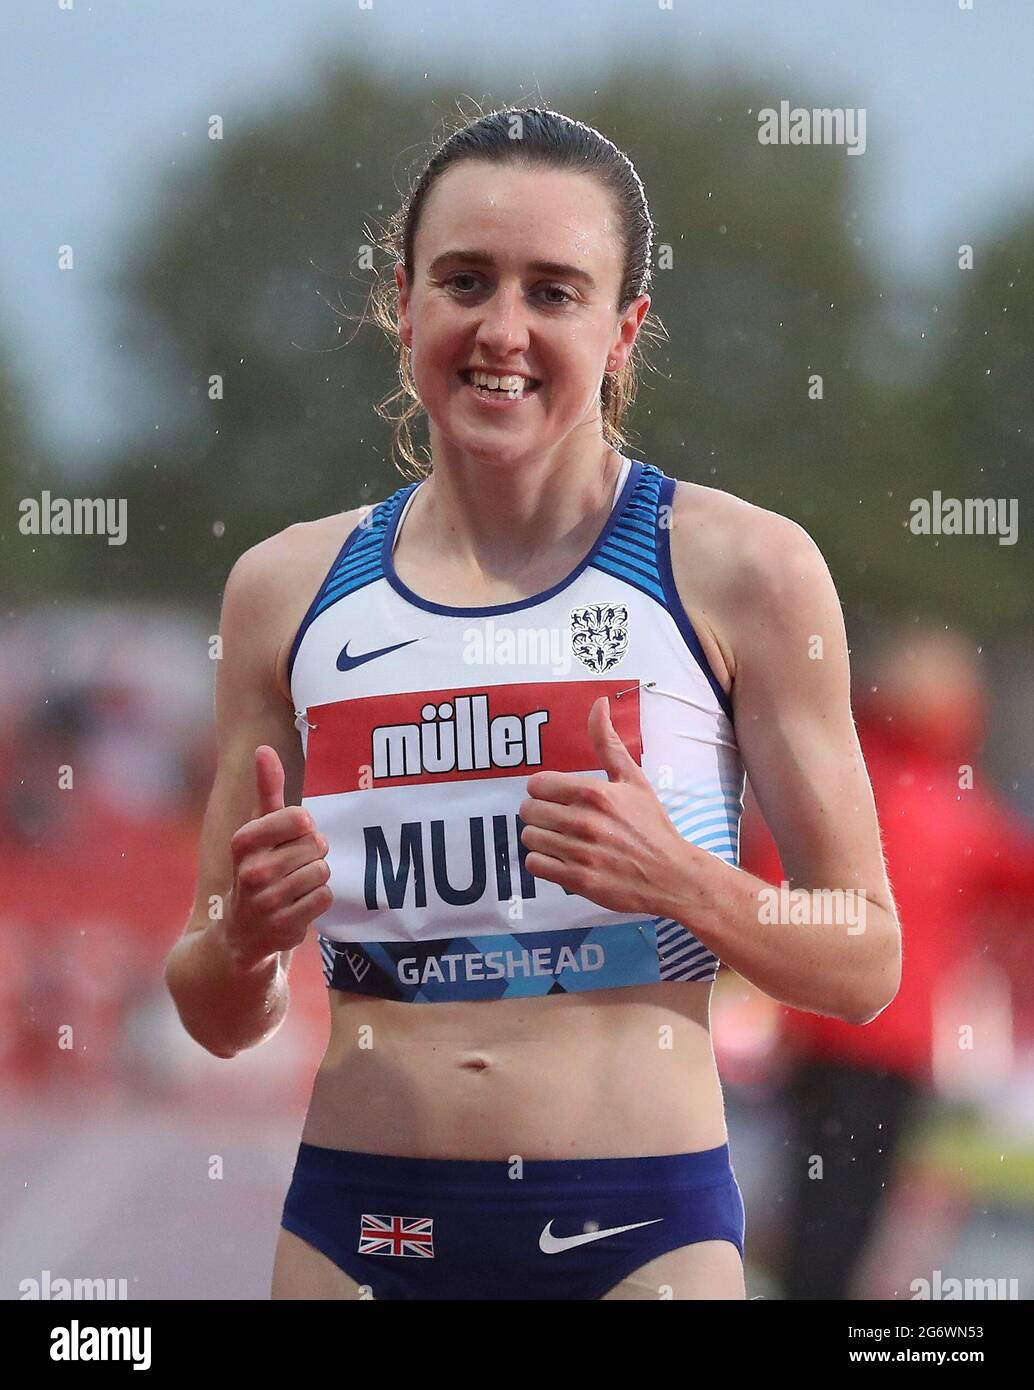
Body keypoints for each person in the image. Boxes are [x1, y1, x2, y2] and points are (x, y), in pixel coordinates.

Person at [163, 106, 901, 1302]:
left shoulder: (740, 569)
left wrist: (685, 885)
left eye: (553, 291)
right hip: (359, 1230)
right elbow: (209, 1008)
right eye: (465, 280)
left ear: (623, 329)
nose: (500, 329)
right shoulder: (283, 590)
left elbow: (866, 957)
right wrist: (244, 939)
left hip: (636, 1231)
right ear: (403, 302)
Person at [740, 623, 1034, 1299]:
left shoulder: (852, 775)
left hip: (828, 1025)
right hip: (884, 1034)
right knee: (848, 1208)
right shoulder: (950, 796)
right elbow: (1013, 877)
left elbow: (770, 876)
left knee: (825, 1199)